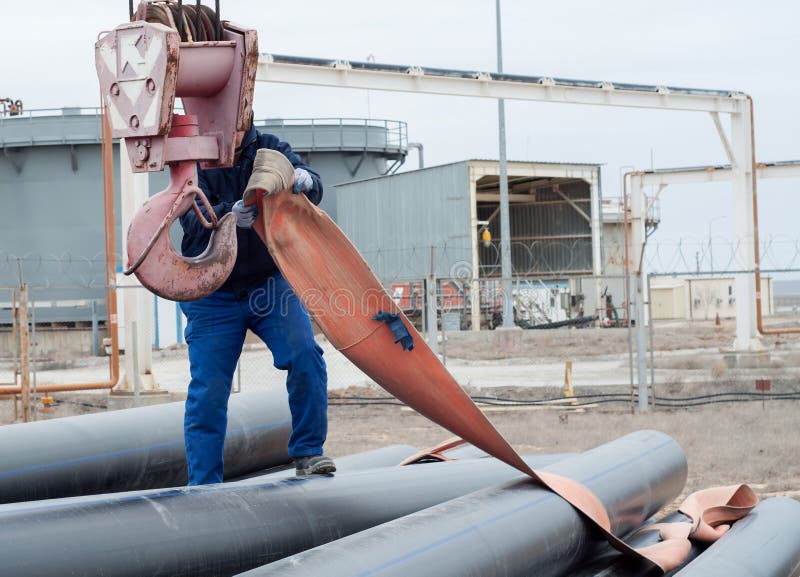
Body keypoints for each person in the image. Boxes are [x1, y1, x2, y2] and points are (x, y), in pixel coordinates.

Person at [179, 121, 335, 484]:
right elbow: (187, 216)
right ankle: (204, 486)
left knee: (304, 355)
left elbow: (313, 183)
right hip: (211, 291)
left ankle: (309, 452)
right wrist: (226, 216)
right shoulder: (193, 160)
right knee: (209, 390)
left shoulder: (269, 147)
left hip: (269, 284)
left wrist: (305, 179)